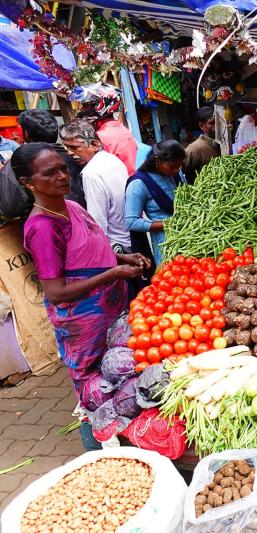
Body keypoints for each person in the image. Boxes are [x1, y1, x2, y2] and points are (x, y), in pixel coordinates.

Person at [10, 143, 150, 409]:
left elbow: (88, 253)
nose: (62, 176)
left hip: (109, 309)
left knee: (121, 372)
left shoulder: (72, 206)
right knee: (95, 387)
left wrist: (123, 258)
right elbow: (56, 292)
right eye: (50, 173)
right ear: (27, 182)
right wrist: (114, 273)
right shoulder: (43, 227)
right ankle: (95, 427)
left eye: (63, 169)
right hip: (84, 324)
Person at [60, 120, 131, 253]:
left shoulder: (91, 174)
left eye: (74, 147)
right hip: (130, 237)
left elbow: (97, 222)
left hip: (117, 245)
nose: (69, 153)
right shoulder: (112, 159)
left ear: (95, 145)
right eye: (67, 147)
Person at [0, 110, 83, 221]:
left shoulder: (21, 162)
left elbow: (9, 208)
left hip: (46, 222)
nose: (62, 176)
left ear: (26, 133)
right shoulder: (78, 154)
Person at [125, 140, 186, 267]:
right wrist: (169, 224)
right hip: (165, 243)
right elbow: (131, 222)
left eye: (179, 166)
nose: (177, 170)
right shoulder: (138, 183)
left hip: (188, 237)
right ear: (157, 161)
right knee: (170, 274)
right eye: (172, 166)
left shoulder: (175, 174)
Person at [78, 83, 138, 176]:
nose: (81, 109)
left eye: (85, 106)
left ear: (100, 107)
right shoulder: (123, 130)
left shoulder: (101, 137)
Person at [183, 106, 220, 184]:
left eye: (218, 122)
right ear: (201, 126)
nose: (216, 126)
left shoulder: (222, 144)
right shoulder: (194, 149)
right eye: (212, 123)